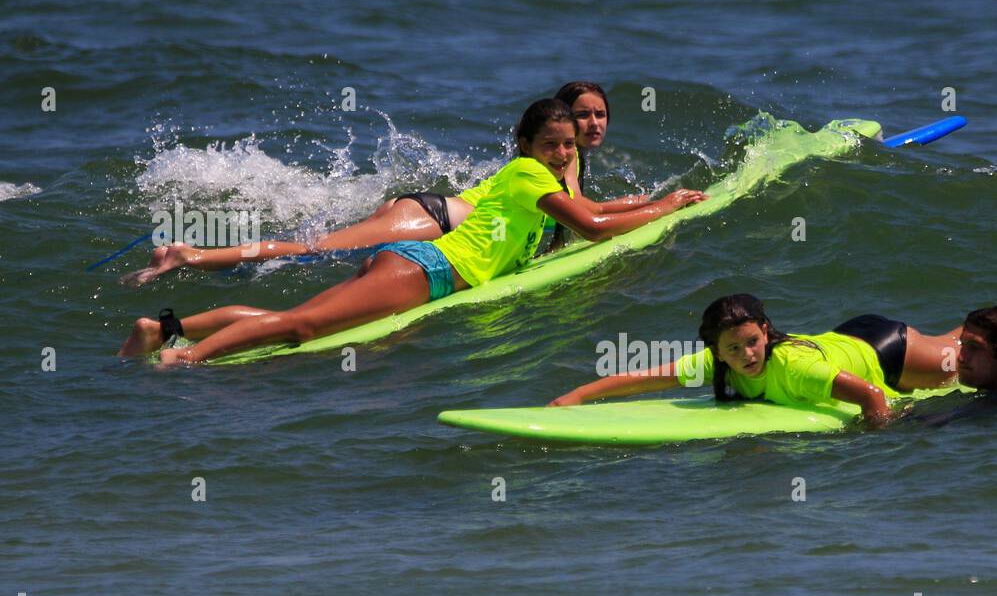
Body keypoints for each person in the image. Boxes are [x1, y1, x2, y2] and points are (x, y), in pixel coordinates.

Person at [118, 99, 706, 364]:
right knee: (299, 326)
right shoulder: (529, 172)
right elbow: (595, 227)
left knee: (301, 312)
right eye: (550, 144)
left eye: (566, 147)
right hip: (428, 270)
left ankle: (163, 328)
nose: (559, 154)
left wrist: (642, 204)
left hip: (415, 264)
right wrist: (671, 206)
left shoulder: (543, 177)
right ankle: (183, 360)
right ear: (525, 145)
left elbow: (593, 213)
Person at [123, 82, 667, 283]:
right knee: (312, 248)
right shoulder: (554, 163)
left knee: (317, 250)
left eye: (600, 115)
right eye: (582, 115)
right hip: (429, 218)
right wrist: (661, 207)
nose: (592, 125)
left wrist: (627, 204)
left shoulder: (562, 163)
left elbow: (583, 208)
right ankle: (188, 255)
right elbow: (586, 218)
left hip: (436, 224)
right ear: (559, 125)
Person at [548, 291, 997, 426]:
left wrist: (881, 434)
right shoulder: (719, 361)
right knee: (954, 343)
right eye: (732, 350)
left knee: (954, 357)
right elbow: (641, 379)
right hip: (847, 337)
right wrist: (570, 399)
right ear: (715, 349)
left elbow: (870, 393)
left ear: (766, 332)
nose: (746, 357)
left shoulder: (794, 369)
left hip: (885, 356)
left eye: (752, 343)